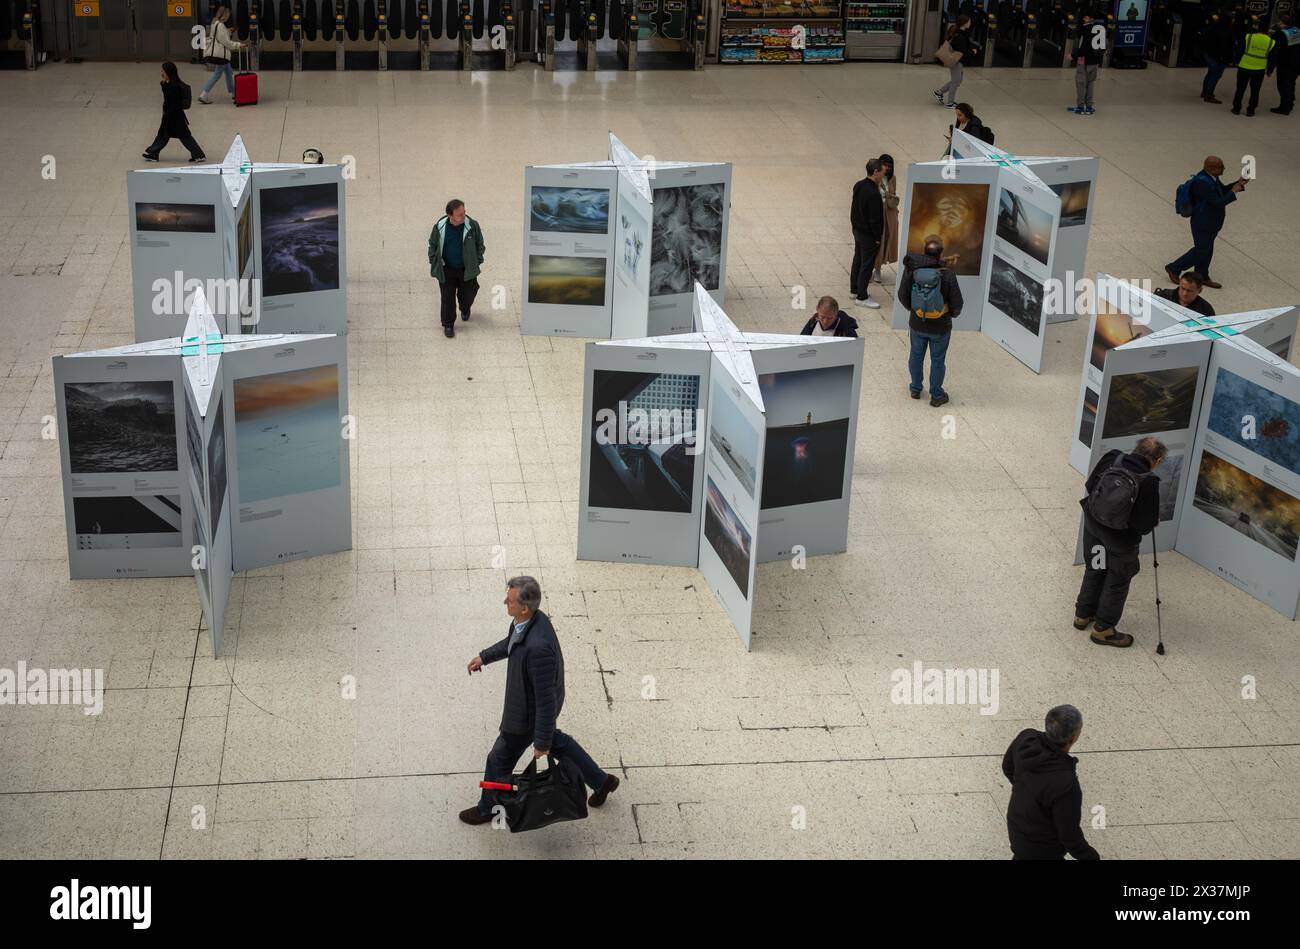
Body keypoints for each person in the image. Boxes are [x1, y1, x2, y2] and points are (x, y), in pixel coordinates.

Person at [461, 576, 619, 825]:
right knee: (559, 743)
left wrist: (541, 742)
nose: (505, 601)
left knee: (498, 758)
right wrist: (485, 657)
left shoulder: (538, 649)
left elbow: (544, 702)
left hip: (526, 716)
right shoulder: (528, 620)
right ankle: (601, 781)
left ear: (525, 607)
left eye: (510, 600)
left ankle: (487, 808)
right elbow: (512, 644)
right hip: (530, 707)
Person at [1074, 436, 1167, 648]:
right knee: (1117, 580)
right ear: (1157, 460)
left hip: (1093, 526)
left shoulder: (1112, 457)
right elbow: (1144, 525)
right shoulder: (1149, 482)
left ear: (1136, 449)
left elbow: (1090, 485)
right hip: (1120, 540)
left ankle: (1083, 614)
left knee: (1095, 567)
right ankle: (1103, 630)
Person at [1002, 706, 1101, 861]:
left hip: (1018, 830)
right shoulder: (1066, 784)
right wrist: (1091, 857)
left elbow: (1007, 767)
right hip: (1044, 850)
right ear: (1074, 737)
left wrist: (1026, 791)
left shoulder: (1026, 739)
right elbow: (1069, 835)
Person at [897, 234, 963, 407]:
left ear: (924, 251)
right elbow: (957, 303)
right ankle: (936, 395)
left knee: (916, 356)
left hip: (918, 323)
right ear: (940, 254)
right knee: (938, 360)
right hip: (940, 326)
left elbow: (902, 296)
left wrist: (915, 311)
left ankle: (915, 389)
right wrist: (950, 316)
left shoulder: (912, 269)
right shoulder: (947, 275)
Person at [1165, 156, 1245, 290]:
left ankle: (1202, 275)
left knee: (1207, 249)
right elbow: (1218, 202)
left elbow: (1221, 191)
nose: (1224, 168)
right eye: (1221, 167)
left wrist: (1238, 183)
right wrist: (1234, 191)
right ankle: (1174, 268)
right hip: (1203, 221)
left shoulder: (1211, 178)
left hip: (1212, 221)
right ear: (1211, 168)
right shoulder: (1202, 182)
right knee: (1201, 249)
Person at [427, 199, 485, 339]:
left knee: (468, 293)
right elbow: (433, 245)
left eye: (464, 212)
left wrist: (476, 261)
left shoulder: (472, 225)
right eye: (459, 214)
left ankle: (465, 308)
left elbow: (480, 244)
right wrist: (433, 260)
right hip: (447, 269)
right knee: (447, 298)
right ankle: (448, 324)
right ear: (450, 215)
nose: (463, 216)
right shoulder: (440, 227)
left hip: (467, 269)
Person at [142, 62, 205, 164]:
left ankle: (198, 155)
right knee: (164, 135)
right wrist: (163, 83)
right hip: (172, 115)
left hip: (174, 117)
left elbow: (171, 101)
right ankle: (153, 153)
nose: (161, 73)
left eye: (163, 71)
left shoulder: (173, 87)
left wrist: (163, 84)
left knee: (183, 136)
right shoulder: (172, 84)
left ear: (168, 72)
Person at [849, 159, 886, 309]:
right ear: (875, 172)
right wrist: (878, 238)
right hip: (869, 235)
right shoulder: (874, 194)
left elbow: (854, 208)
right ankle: (862, 296)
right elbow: (875, 220)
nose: (883, 175)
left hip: (857, 230)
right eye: (882, 172)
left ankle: (854, 289)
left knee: (858, 259)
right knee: (867, 264)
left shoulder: (859, 185)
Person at [197, 6, 244, 106]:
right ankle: (204, 94)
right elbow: (226, 42)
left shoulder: (215, 23)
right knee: (217, 74)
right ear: (225, 15)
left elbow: (219, 36)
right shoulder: (221, 25)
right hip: (221, 55)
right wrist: (239, 45)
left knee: (228, 72)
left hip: (220, 54)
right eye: (228, 15)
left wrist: (229, 31)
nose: (228, 17)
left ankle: (233, 93)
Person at [1232, 18, 1275, 115]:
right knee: (1255, 90)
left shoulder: (1248, 37)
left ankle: (1236, 108)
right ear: (1267, 30)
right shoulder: (1271, 42)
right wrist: (1270, 71)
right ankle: (1251, 110)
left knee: (1240, 88)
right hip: (1259, 69)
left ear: (1257, 29)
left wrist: (1237, 61)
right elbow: (1272, 58)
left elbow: (1240, 50)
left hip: (1244, 67)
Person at [934, 15, 976, 109]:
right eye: (969, 22)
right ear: (964, 23)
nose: (970, 23)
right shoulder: (960, 36)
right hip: (956, 61)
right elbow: (962, 51)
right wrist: (972, 52)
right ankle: (950, 102)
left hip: (957, 60)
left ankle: (939, 92)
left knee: (957, 80)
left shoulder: (961, 33)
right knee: (955, 81)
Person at [1068, 13, 1104, 115]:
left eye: (1085, 17)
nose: (1083, 19)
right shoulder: (1101, 28)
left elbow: (1084, 48)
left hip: (1085, 61)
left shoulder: (1087, 29)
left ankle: (1080, 106)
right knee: (1090, 83)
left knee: (1081, 83)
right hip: (1095, 61)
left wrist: (1073, 55)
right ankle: (1089, 106)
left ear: (1090, 18)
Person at [872, 154, 900, 285]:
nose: (887, 168)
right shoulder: (875, 176)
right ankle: (874, 268)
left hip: (890, 213)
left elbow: (893, 195)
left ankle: (878, 269)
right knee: (877, 241)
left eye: (889, 166)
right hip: (878, 212)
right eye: (885, 165)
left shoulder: (892, 178)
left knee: (886, 240)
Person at [1200, 12, 1236, 104]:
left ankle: (1204, 92)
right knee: (1215, 75)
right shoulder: (1228, 32)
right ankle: (1209, 95)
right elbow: (1228, 48)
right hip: (1219, 57)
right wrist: (1230, 60)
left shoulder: (1213, 27)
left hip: (1209, 54)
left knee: (1210, 73)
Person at [1267, 13, 1300, 115]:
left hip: (1285, 64)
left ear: (1282, 23)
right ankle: (1290, 104)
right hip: (1297, 63)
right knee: (1291, 84)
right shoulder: (1297, 30)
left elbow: (1274, 52)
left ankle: (1284, 108)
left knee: (1283, 86)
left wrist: (1270, 69)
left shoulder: (1280, 34)